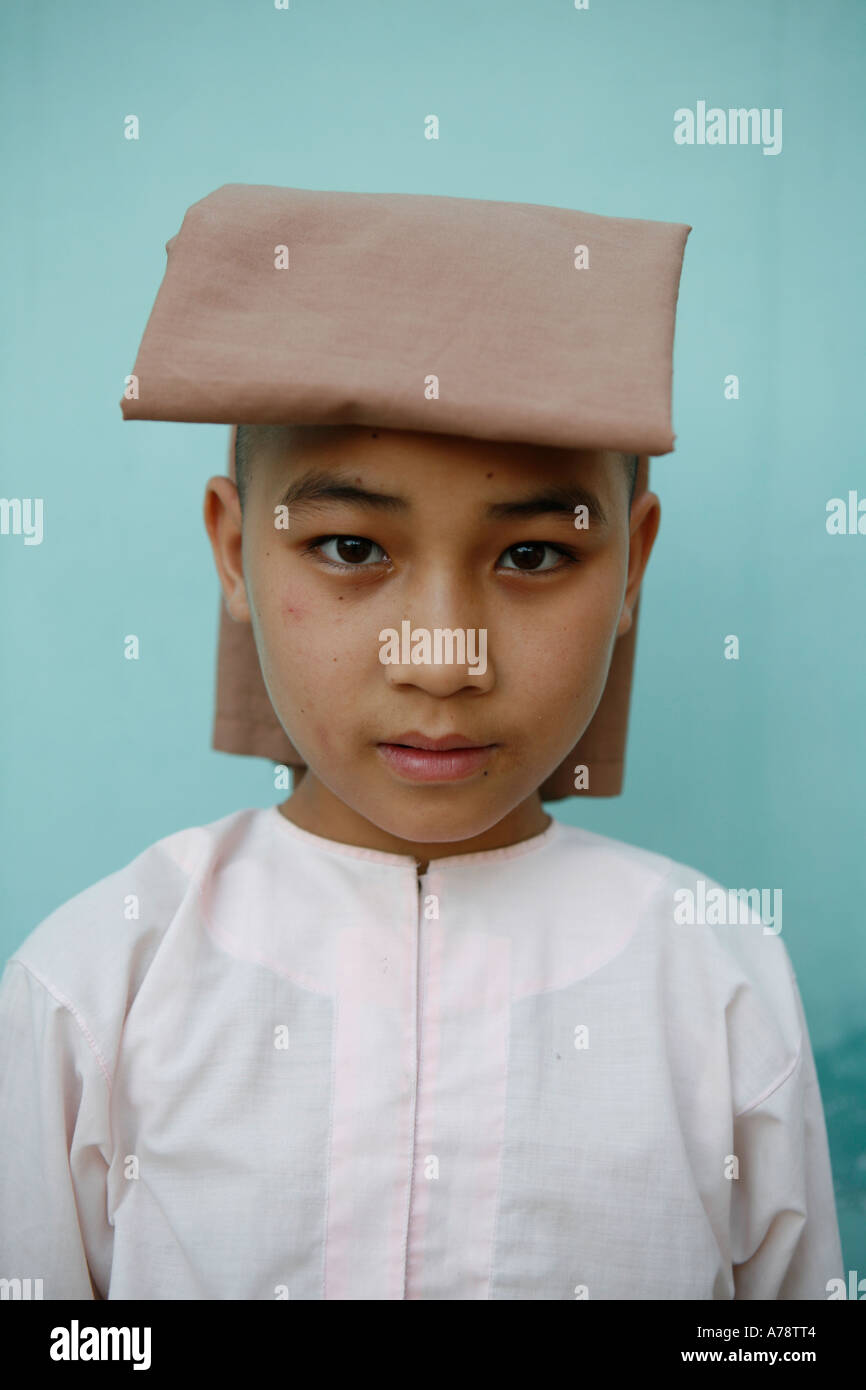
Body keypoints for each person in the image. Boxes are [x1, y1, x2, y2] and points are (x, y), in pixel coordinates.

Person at [0, 185, 843, 1300]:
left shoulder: (720, 981)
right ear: (231, 547)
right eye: (350, 546)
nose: (442, 656)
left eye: (533, 555)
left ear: (631, 562)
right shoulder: (96, 984)